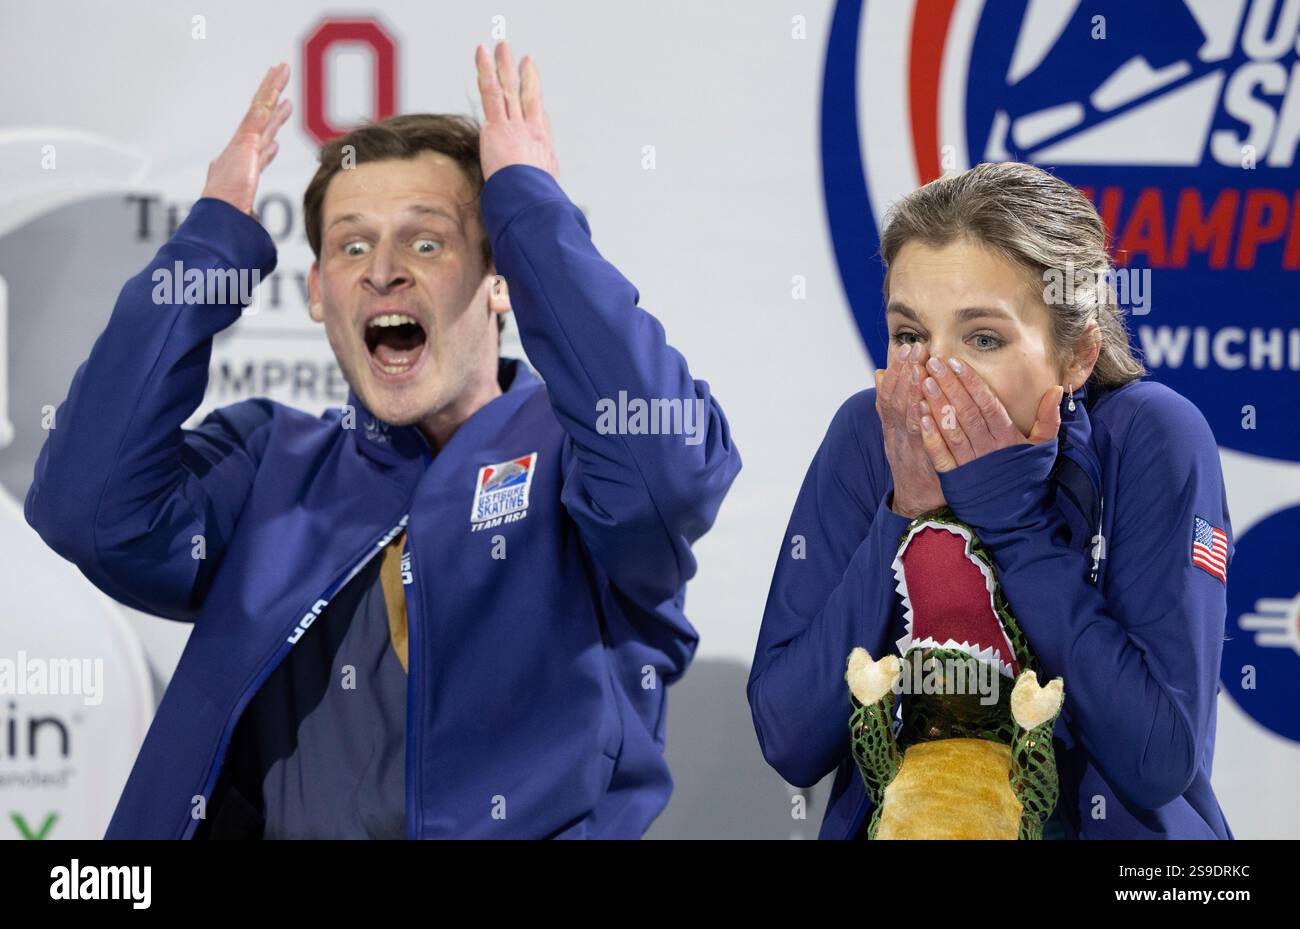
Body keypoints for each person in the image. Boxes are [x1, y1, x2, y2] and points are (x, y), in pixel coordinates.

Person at [25, 41, 740, 839]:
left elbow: (673, 473)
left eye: (426, 241)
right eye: (351, 245)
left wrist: (531, 211)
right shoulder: (270, 462)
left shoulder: (582, 456)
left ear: (503, 280)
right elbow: (86, 508)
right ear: (315, 291)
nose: (384, 271)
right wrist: (212, 247)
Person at [748, 161, 1234, 840]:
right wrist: (904, 509)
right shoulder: (868, 434)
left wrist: (1015, 523)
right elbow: (789, 738)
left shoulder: (1152, 435)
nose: (935, 376)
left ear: (1078, 357)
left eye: (983, 338)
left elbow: (1155, 759)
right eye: (910, 335)